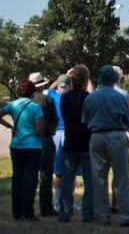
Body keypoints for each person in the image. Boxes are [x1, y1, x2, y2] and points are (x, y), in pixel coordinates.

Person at [82, 64, 129, 227]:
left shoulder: (90, 97)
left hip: (96, 136)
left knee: (99, 178)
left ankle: (103, 216)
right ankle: (126, 216)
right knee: (122, 178)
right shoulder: (120, 97)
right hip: (117, 135)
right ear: (114, 79)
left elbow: (85, 120)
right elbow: (128, 121)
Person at [1, 78, 45, 221]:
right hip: (33, 146)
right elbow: (39, 131)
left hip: (17, 145)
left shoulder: (13, 105)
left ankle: (17, 212)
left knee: (17, 178)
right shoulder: (36, 107)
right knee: (31, 180)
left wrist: (9, 126)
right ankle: (28, 212)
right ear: (33, 92)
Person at [58, 65, 94, 223]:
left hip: (70, 141)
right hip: (86, 141)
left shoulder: (65, 98)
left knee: (67, 179)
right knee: (89, 180)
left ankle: (65, 212)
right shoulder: (89, 98)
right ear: (85, 80)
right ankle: (87, 213)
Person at [27, 72, 59, 218]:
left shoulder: (24, 100)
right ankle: (46, 208)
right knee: (46, 175)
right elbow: (54, 119)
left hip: (27, 139)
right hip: (45, 138)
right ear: (43, 85)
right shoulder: (46, 100)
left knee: (29, 174)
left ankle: (26, 207)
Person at [46, 73, 70, 215]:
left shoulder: (52, 94)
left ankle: (57, 201)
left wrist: (60, 79)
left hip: (55, 133)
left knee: (57, 169)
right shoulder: (69, 96)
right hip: (66, 132)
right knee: (67, 169)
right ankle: (64, 201)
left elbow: (50, 87)